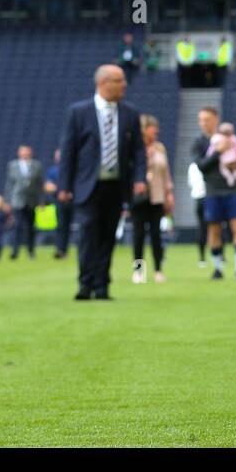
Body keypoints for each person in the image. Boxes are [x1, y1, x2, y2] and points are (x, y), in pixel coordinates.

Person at [57, 64, 147, 300]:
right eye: (119, 80)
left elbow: (139, 151)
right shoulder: (78, 112)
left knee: (108, 235)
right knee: (87, 234)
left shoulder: (130, 113)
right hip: (88, 185)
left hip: (117, 186)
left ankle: (102, 285)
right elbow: (69, 151)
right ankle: (85, 283)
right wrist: (64, 186)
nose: (124, 85)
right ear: (103, 83)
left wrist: (139, 178)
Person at [192, 108, 236, 280]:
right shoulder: (199, 143)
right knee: (214, 229)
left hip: (232, 190)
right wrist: (218, 152)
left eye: (207, 119)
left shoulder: (231, 138)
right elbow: (201, 166)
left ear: (216, 119)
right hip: (212, 191)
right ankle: (217, 268)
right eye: (201, 119)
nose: (204, 123)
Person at [131, 113, 173, 284]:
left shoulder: (160, 148)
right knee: (139, 235)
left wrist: (169, 193)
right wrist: (146, 156)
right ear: (144, 129)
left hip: (157, 196)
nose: (156, 130)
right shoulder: (135, 149)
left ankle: (158, 270)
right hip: (139, 197)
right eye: (152, 127)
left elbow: (166, 174)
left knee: (156, 235)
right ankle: (139, 271)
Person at [4, 144, 44, 260]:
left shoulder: (37, 166)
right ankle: (15, 251)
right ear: (19, 153)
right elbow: (9, 184)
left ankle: (31, 251)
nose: (25, 154)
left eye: (27, 152)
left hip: (31, 200)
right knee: (18, 225)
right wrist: (7, 201)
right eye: (23, 152)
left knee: (31, 227)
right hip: (17, 200)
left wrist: (41, 201)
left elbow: (39, 185)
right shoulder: (12, 165)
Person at [45, 148, 73, 259]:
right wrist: (61, 191)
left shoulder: (73, 169)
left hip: (73, 200)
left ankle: (65, 248)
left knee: (74, 226)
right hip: (59, 202)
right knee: (61, 225)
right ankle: (60, 249)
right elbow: (47, 186)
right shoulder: (53, 171)